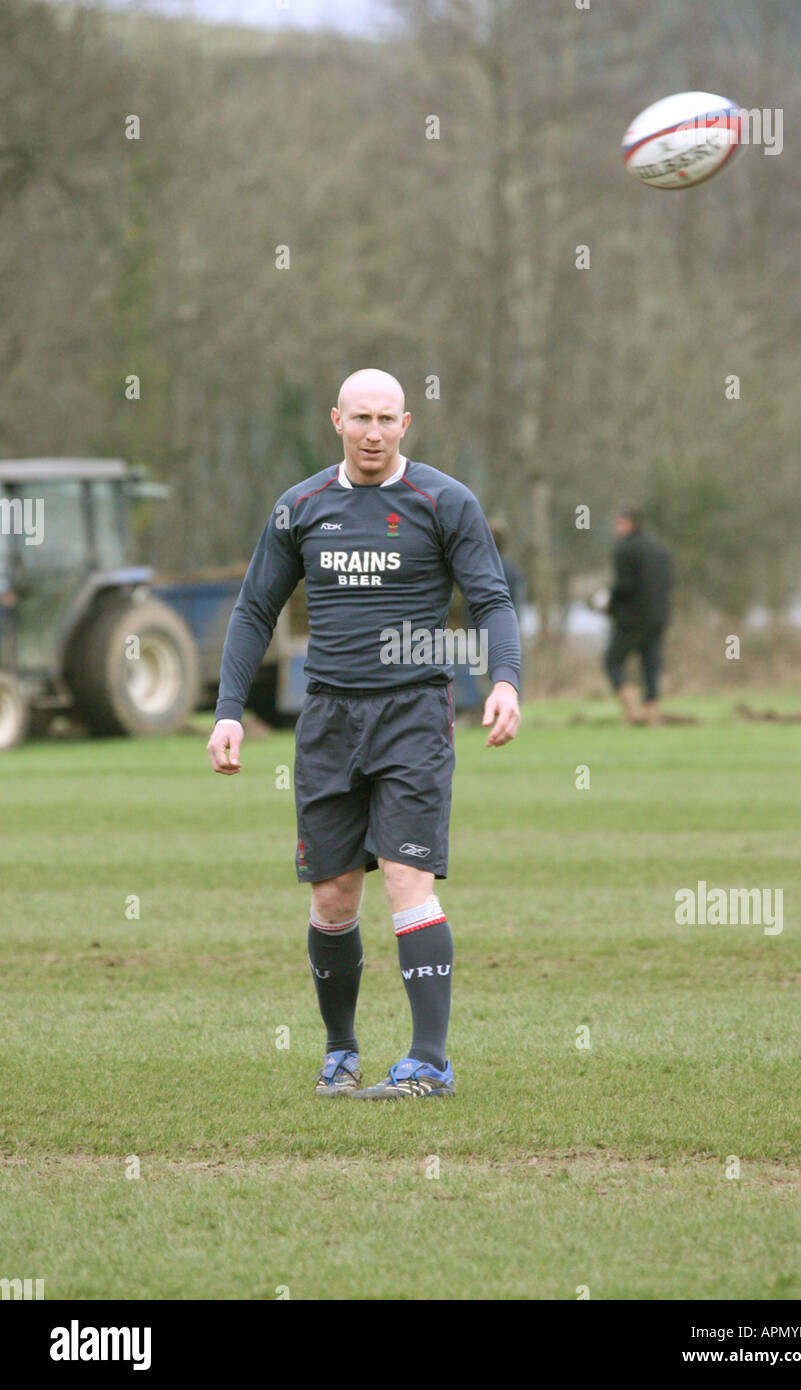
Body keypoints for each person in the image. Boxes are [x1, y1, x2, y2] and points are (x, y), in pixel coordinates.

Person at [206, 369, 521, 1099]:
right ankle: (340, 1052)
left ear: (405, 424)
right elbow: (254, 610)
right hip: (326, 719)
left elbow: (491, 599)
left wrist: (505, 680)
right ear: (336, 421)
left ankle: (429, 1062)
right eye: (360, 419)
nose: (373, 433)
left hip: (414, 713)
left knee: (407, 878)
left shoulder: (445, 501)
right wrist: (227, 710)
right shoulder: (299, 507)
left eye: (386, 419)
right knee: (333, 897)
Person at [604, 505, 674, 726]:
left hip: (632, 619)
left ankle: (631, 707)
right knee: (650, 664)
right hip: (658, 617)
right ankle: (652, 711)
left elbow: (625, 586)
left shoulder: (626, 549)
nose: (616, 527)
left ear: (629, 523)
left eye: (618, 523)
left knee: (612, 661)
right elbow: (670, 582)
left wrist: (608, 604)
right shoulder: (659, 547)